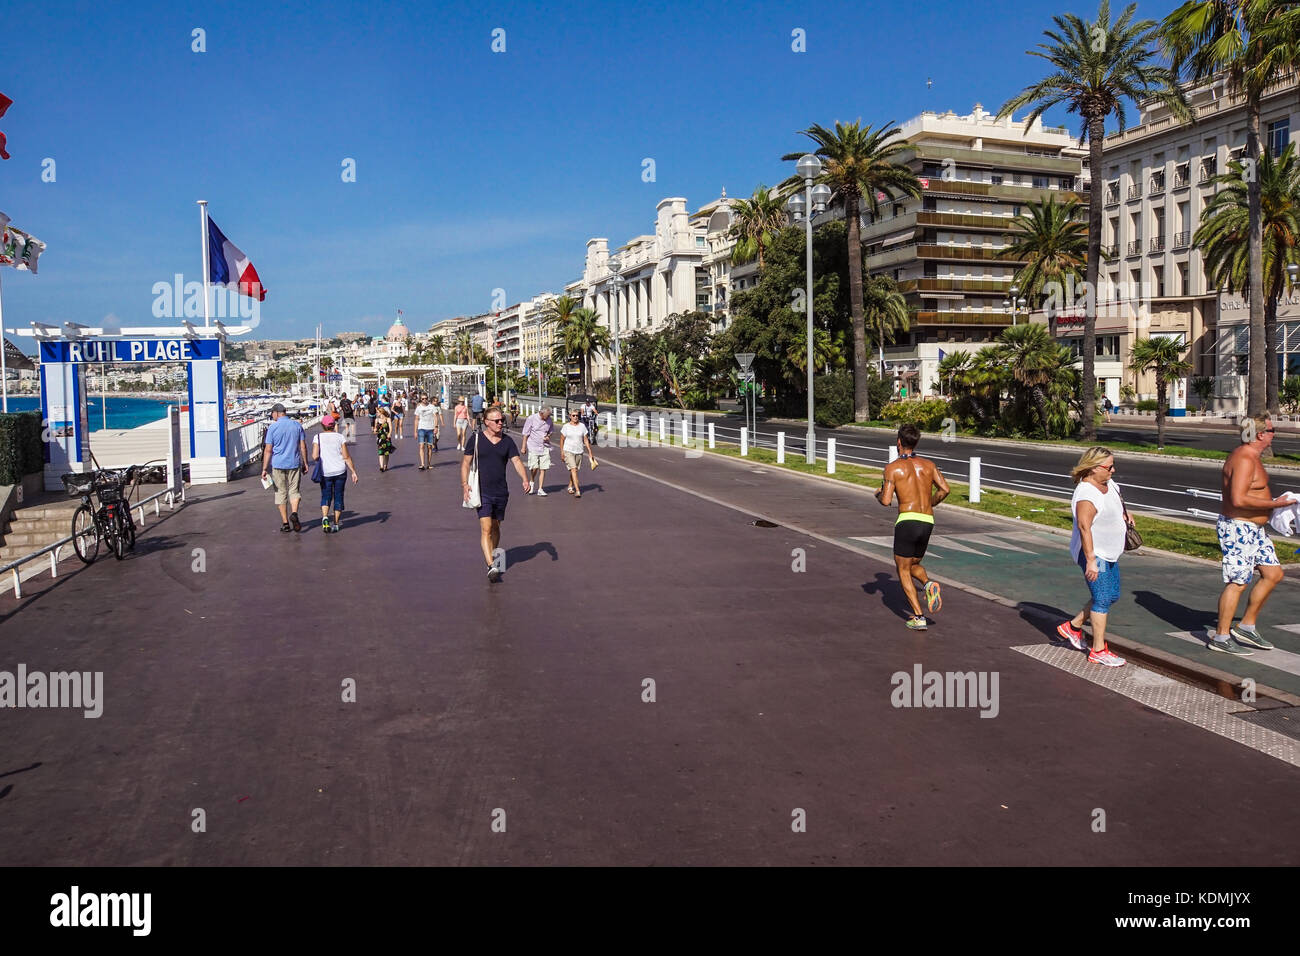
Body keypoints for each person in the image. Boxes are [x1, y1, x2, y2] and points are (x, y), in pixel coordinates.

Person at [1211, 414, 1290, 655]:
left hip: (1254, 529)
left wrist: (1273, 504)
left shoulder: (1253, 456)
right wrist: (1277, 504)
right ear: (1260, 434)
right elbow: (1238, 498)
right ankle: (1221, 637)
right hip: (1238, 527)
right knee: (1238, 581)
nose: (1274, 432)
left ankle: (1246, 626)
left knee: (1273, 574)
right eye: (1271, 429)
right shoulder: (1244, 458)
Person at [1057, 447, 1133, 667]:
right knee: (1101, 598)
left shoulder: (1110, 485)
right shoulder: (1086, 493)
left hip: (1110, 552)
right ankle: (1098, 650)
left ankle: (1073, 627)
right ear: (1093, 467)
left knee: (1112, 595)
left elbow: (1116, 506)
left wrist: (1126, 515)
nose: (1113, 470)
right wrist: (1090, 559)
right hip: (1094, 552)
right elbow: (1084, 527)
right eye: (1109, 467)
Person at [873, 424, 950, 630]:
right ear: (915, 442)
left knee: (902, 569)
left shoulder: (892, 468)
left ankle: (918, 617)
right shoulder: (929, 465)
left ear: (899, 442)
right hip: (927, 521)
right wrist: (932, 502)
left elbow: (887, 501)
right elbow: (945, 489)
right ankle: (928, 585)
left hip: (907, 520)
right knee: (913, 564)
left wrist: (877, 494)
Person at [462, 407, 531, 581]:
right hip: (482, 490)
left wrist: (525, 479)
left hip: (501, 492)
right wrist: (465, 485)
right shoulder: (476, 439)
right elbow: (465, 464)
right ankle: (491, 565)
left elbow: (516, 461)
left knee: (495, 527)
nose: (501, 423)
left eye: (502, 420)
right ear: (486, 422)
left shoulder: (507, 441)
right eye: (497, 421)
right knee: (485, 528)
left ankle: (492, 554)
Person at [260, 403, 309, 533]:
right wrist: (305, 463)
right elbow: (303, 446)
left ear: (277, 413)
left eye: (272, 413)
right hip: (294, 463)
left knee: (280, 493)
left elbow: (268, 450)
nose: (271, 415)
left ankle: (285, 523)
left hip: (278, 465)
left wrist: (264, 468)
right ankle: (294, 513)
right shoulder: (297, 425)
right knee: (294, 491)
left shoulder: (272, 428)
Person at [312, 414, 359, 532]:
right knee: (338, 496)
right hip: (340, 471)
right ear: (333, 426)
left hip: (325, 471)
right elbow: (346, 456)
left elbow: (315, 456)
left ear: (322, 425)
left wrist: (322, 459)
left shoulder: (317, 437)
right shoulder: (340, 437)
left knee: (326, 495)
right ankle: (336, 524)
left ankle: (325, 518)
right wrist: (353, 472)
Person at [560, 408, 594, 497]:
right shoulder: (566, 426)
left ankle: (570, 486)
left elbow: (585, 440)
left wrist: (590, 452)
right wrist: (562, 452)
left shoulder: (582, 426)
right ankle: (578, 490)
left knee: (574, 470)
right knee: (574, 469)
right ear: (570, 416)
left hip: (579, 451)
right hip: (568, 451)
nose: (575, 417)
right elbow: (562, 440)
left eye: (577, 415)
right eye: (573, 415)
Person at [520, 406, 554, 496]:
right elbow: (525, 433)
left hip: (544, 446)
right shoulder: (532, 418)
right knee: (534, 467)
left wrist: (548, 436)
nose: (548, 418)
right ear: (541, 413)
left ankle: (540, 489)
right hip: (533, 446)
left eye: (549, 416)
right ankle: (532, 481)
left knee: (543, 468)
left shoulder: (549, 420)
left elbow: (551, 431)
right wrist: (523, 447)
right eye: (547, 416)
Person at [414, 393, 441, 469]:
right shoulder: (419, 408)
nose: (424, 400)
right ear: (421, 399)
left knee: (429, 447)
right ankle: (422, 464)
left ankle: (428, 464)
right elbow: (416, 419)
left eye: (425, 398)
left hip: (430, 428)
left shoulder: (432, 407)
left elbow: (436, 417)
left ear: (428, 398)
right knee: (421, 446)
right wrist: (415, 431)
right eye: (422, 399)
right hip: (421, 428)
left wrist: (436, 427)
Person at [374, 405, 395, 471]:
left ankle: (385, 465)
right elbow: (375, 429)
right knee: (380, 452)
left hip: (386, 437)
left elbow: (391, 428)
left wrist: (389, 434)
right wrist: (375, 431)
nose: (377, 413)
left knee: (386, 452)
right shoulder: (377, 420)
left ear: (381, 412)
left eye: (377, 412)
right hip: (380, 438)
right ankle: (381, 466)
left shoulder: (388, 419)